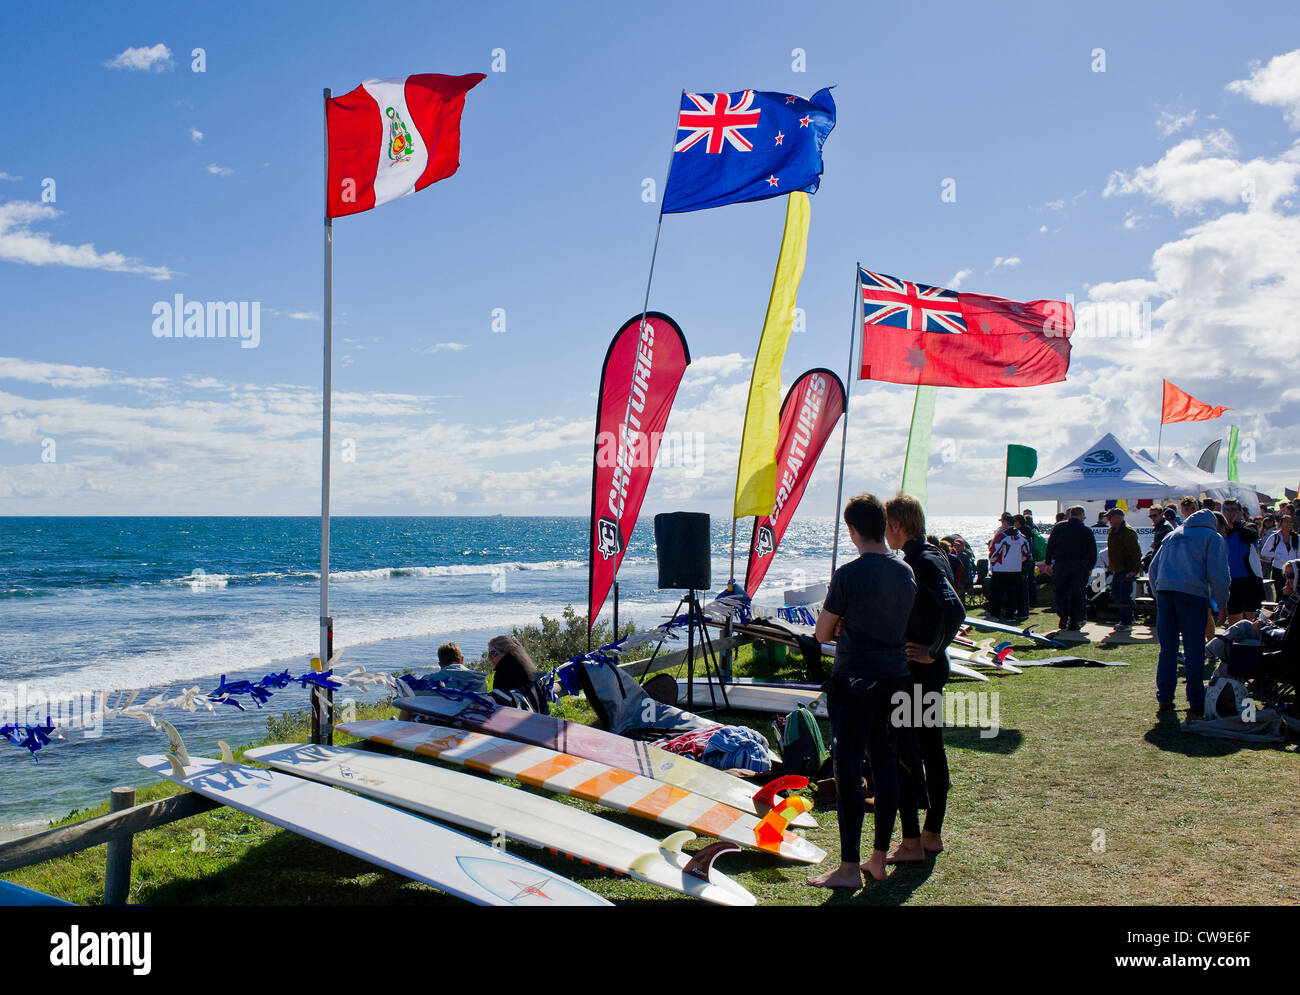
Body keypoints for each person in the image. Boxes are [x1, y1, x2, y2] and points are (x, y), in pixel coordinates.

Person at [807, 493, 916, 888]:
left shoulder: (849, 574)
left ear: (852, 530)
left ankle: (849, 868)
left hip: (854, 681)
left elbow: (821, 633)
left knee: (849, 770)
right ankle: (878, 859)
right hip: (895, 677)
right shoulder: (904, 570)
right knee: (886, 765)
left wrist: (840, 624)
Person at [884, 494, 964, 865]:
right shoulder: (929, 554)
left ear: (897, 525)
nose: (885, 533)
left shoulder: (923, 560)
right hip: (926, 669)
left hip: (923, 670)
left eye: (887, 525)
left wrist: (934, 648)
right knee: (928, 747)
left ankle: (918, 837)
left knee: (914, 751)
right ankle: (930, 834)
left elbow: (955, 607)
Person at [1147, 508, 1230, 719]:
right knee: (1195, 649)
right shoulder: (1212, 538)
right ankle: (1195, 699)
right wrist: (1222, 604)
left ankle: (1165, 697)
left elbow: (1153, 568)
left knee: (1168, 649)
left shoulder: (1172, 534)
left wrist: (1159, 595)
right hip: (1192, 594)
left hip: (1166, 592)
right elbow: (1219, 575)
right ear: (1217, 525)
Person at [1043, 505, 1098, 632]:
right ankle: (1075, 620)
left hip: (1061, 564)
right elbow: (1092, 551)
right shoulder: (1086, 530)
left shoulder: (1059, 527)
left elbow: (1050, 545)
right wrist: (1090, 567)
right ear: (1081, 516)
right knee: (1078, 594)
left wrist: (1048, 563)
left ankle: (1063, 615)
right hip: (1080, 565)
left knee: (1060, 591)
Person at [1221, 498, 1262, 624]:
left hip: (1249, 578)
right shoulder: (1223, 531)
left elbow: (1250, 537)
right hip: (1230, 579)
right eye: (1226, 510)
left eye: (1233, 510)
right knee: (1233, 616)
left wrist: (1237, 523)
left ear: (1240, 512)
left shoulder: (1249, 527)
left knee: (1251, 618)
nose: (1230, 513)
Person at [486, 634, 550, 713]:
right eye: (488, 653)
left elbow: (499, 703)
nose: (489, 658)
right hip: (535, 715)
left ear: (506, 652)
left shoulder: (503, 673)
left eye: (493, 653)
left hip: (515, 719)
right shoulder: (524, 666)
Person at [987, 515, 1030, 622]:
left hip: (1000, 570)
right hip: (1016, 569)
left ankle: (995, 615)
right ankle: (1010, 615)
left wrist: (993, 562)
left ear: (1005, 523)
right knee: (1013, 594)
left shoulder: (1001, 536)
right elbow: (1026, 554)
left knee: (997, 594)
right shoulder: (1021, 537)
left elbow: (993, 554)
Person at [1105, 508, 1142, 629]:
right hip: (1117, 569)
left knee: (1124, 596)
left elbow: (1135, 553)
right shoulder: (1113, 531)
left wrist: (1134, 570)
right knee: (1116, 595)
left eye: (1111, 517)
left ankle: (1127, 621)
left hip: (1126, 570)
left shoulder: (1128, 532)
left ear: (1118, 518)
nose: (1109, 520)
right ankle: (1127, 619)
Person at [1260, 513, 1297, 602]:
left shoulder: (1297, 538)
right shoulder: (1275, 537)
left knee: (1294, 593)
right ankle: (1279, 612)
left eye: (1290, 522)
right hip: (1279, 569)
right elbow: (1264, 552)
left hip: (1294, 570)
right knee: (1280, 594)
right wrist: (1277, 555)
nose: (1288, 524)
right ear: (1280, 524)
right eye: (1286, 522)